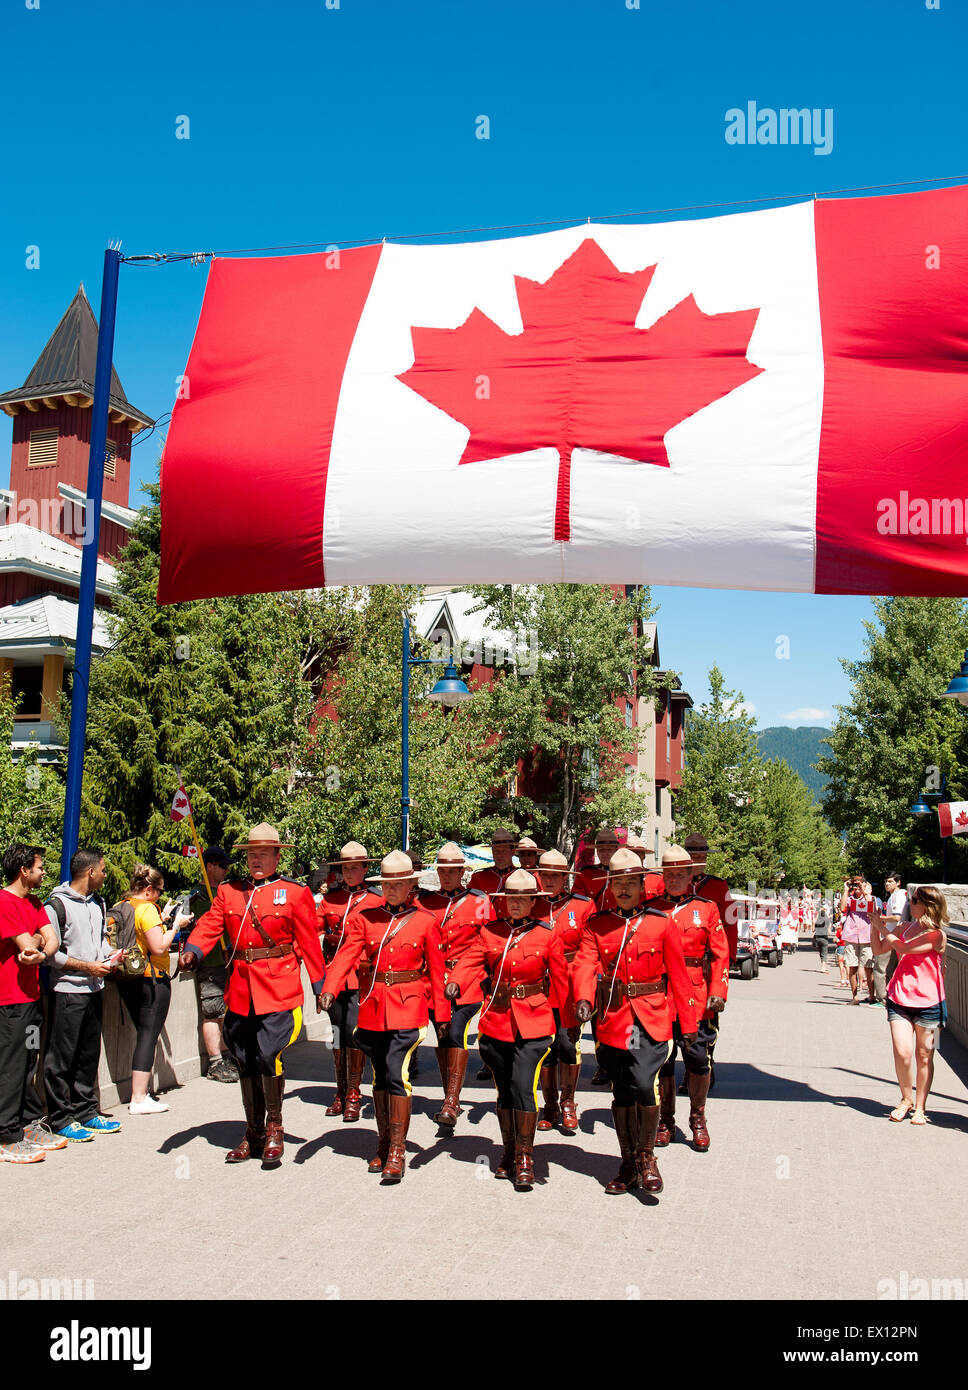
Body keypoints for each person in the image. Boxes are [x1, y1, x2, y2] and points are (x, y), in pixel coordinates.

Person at [179, 824, 326, 1167]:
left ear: (277, 856)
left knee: (268, 1056)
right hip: (242, 990)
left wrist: (321, 987)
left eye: (263, 853)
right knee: (246, 1059)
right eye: (251, 854)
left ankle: (274, 1128)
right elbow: (210, 925)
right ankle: (253, 1132)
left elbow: (307, 943)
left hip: (279, 989)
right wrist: (193, 952)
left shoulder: (295, 893)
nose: (256, 859)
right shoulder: (230, 891)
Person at [573, 848, 699, 1196]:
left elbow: (679, 976)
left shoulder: (661, 923)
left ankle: (647, 1159)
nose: (624, 889)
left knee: (644, 1083)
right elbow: (584, 963)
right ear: (610, 887)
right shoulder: (598, 925)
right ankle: (628, 1162)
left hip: (650, 1018)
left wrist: (688, 1025)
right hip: (613, 1020)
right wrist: (583, 999)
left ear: (643, 885)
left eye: (631, 883)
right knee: (622, 1090)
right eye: (618, 883)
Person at [320, 851, 448, 1182]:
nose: (392, 889)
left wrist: (443, 1015)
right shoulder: (367, 918)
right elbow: (347, 954)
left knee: (396, 1073)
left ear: (410, 886)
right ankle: (382, 1142)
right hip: (374, 1006)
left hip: (409, 1008)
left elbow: (436, 971)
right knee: (378, 1077)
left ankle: (397, 1150)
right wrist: (330, 988)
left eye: (398, 884)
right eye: (387, 884)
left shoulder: (425, 922)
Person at [446, 869, 569, 1191]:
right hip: (497, 1022)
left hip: (534, 1024)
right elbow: (471, 961)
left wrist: (569, 1020)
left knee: (522, 1086)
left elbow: (561, 980)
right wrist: (455, 982)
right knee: (504, 1090)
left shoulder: (546, 934)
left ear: (532, 902)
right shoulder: (490, 933)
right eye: (511, 899)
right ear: (504, 902)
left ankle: (527, 1158)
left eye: (522, 899)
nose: (516, 904)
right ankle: (509, 1151)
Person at [648, 846, 729, 1151]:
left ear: (691, 874)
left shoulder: (706, 908)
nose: (676, 879)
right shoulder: (651, 908)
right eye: (670, 874)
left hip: (696, 992)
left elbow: (721, 953)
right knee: (663, 1059)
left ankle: (698, 1117)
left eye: (681, 873)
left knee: (697, 1058)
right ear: (663, 876)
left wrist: (718, 992)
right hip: (660, 992)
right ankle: (665, 1121)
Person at [43, 848, 122, 1142]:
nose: (104, 874)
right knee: (62, 1057)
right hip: (67, 991)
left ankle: (87, 1111)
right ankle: (60, 1117)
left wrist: (109, 957)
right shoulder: (56, 906)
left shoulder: (98, 903)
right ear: (89, 872)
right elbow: (52, 955)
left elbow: (100, 940)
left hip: (95, 989)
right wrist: (87, 966)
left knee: (89, 1054)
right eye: (102, 869)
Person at [418, 842, 494, 1127]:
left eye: (453, 870)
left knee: (456, 1030)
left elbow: (491, 940)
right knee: (443, 1035)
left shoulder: (479, 900)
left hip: (469, 979)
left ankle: (452, 1100)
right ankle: (449, 1094)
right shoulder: (425, 902)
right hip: (433, 981)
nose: (447, 874)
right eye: (443, 870)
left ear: (462, 871)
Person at [0, 843, 59, 1162]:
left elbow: (51, 940)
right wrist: (35, 941)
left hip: (33, 998)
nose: (44, 871)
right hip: (9, 1002)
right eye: (39, 866)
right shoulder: (4, 901)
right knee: (11, 1065)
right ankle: (6, 1135)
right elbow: (28, 943)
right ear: (24, 870)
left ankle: (25, 1123)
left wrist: (40, 947)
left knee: (28, 1061)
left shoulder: (35, 901)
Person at [116, 866, 190, 1115]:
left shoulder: (123, 904)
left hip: (129, 977)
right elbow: (158, 947)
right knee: (148, 1036)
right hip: (152, 979)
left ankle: (141, 1092)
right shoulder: (148, 908)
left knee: (143, 1033)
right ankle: (139, 1097)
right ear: (148, 889)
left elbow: (139, 935)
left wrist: (165, 918)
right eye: (158, 891)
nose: (159, 895)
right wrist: (176, 926)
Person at [316, 841, 382, 1120]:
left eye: (356, 867)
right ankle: (340, 1091)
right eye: (346, 867)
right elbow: (314, 928)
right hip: (334, 974)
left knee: (353, 1031)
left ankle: (354, 1094)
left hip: (360, 975)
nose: (350, 872)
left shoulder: (376, 899)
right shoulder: (331, 898)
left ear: (366, 868)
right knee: (336, 1033)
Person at [872, 885, 948, 1124]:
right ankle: (906, 1099)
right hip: (899, 999)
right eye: (911, 900)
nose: (911, 904)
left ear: (929, 904)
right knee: (903, 1053)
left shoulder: (937, 935)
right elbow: (878, 949)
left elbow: (904, 948)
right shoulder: (905, 928)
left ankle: (921, 1107)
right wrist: (874, 928)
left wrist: (883, 927)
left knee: (925, 1055)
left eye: (915, 900)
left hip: (931, 1005)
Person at [534, 849, 593, 1134]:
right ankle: (550, 1106)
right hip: (538, 986)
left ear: (564, 879)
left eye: (554, 876)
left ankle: (568, 1102)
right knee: (546, 1048)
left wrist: (586, 989)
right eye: (544, 875)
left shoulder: (581, 907)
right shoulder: (531, 905)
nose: (548, 880)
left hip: (568, 984)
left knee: (568, 1044)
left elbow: (589, 950)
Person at [182, 847, 238, 1083]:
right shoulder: (198, 895)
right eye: (222, 866)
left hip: (230, 961)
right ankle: (216, 1062)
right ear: (210, 867)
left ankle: (228, 1055)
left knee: (228, 1012)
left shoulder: (226, 892)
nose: (227, 870)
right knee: (213, 1011)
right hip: (211, 961)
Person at [839, 875, 878, 1005]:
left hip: (866, 936)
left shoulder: (870, 898)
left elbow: (872, 908)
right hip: (851, 936)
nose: (857, 889)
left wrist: (864, 890)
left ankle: (872, 996)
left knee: (868, 967)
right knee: (852, 967)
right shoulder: (850, 899)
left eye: (860, 886)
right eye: (856, 886)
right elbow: (843, 908)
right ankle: (854, 997)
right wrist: (846, 890)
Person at [874, 872, 906, 1005]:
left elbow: (897, 917)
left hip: (892, 936)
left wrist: (879, 918)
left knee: (881, 968)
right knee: (890, 969)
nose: (887, 884)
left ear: (898, 882)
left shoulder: (897, 896)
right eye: (886, 881)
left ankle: (882, 999)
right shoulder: (896, 895)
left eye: (890, 881)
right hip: (895, 935)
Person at [813, 896, 832, 972]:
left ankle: (823, 965)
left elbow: (813, 929)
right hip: (824, 937)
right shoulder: (827, 920)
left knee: (821, 952)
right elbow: (829, 931)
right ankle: (823, 966)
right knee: (824, 952)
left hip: (817, 937)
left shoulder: (817, 920)